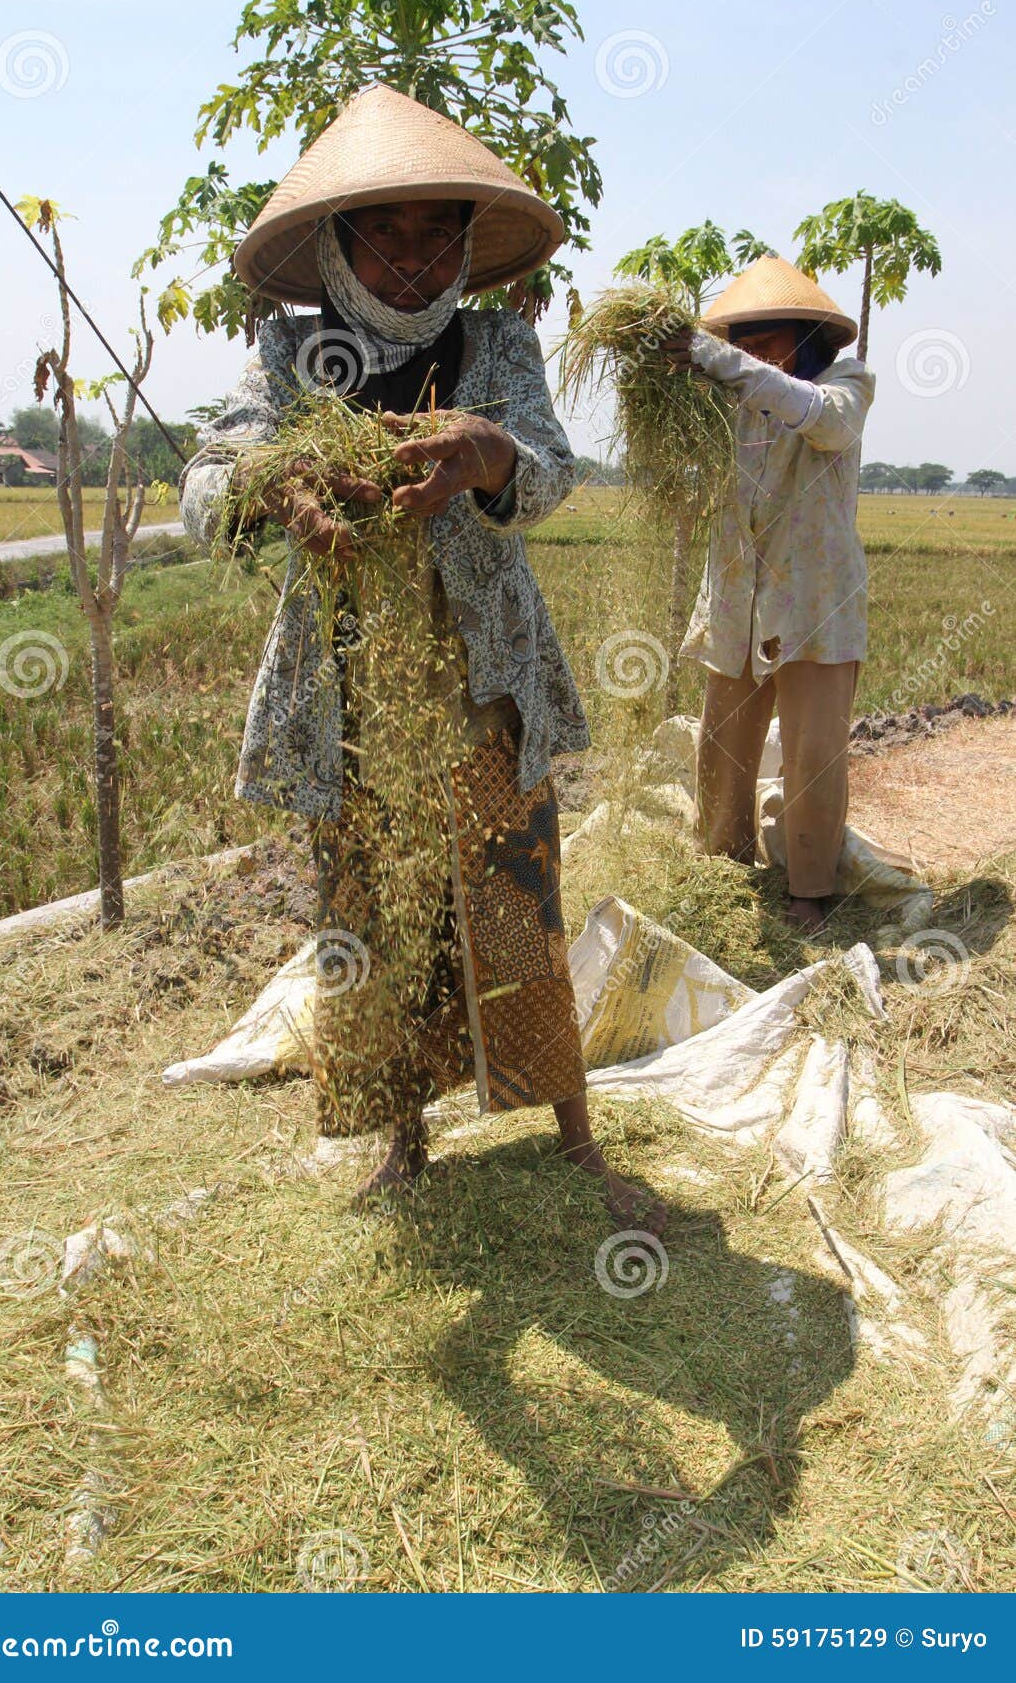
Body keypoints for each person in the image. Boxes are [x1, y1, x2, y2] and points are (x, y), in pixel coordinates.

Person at [179, 83, 666, 1233]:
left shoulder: (493, 341)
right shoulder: (296, 359)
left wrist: (484, 449)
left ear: (462, 241)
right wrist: (276, 483)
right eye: (383, 231)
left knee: (513, 904)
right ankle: (404, 1143)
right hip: (353, 691)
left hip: (482, 681)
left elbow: (547, 470)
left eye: (433, 228)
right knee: (374, 913)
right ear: (339, 245)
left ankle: (572, 1132)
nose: (411, 254)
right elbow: (205, 481)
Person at [662, 253, 875, 933]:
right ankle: (721, 862)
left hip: (814, 602)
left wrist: (723, 361)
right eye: (741, 344)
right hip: (734, 596)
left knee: (813, 752)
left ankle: (808, 887)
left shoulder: (844, 384)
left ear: (804, 341)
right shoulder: (726, 404)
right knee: (722, 740)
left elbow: (826, 423)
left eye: (767, 343)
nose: (752, 355)